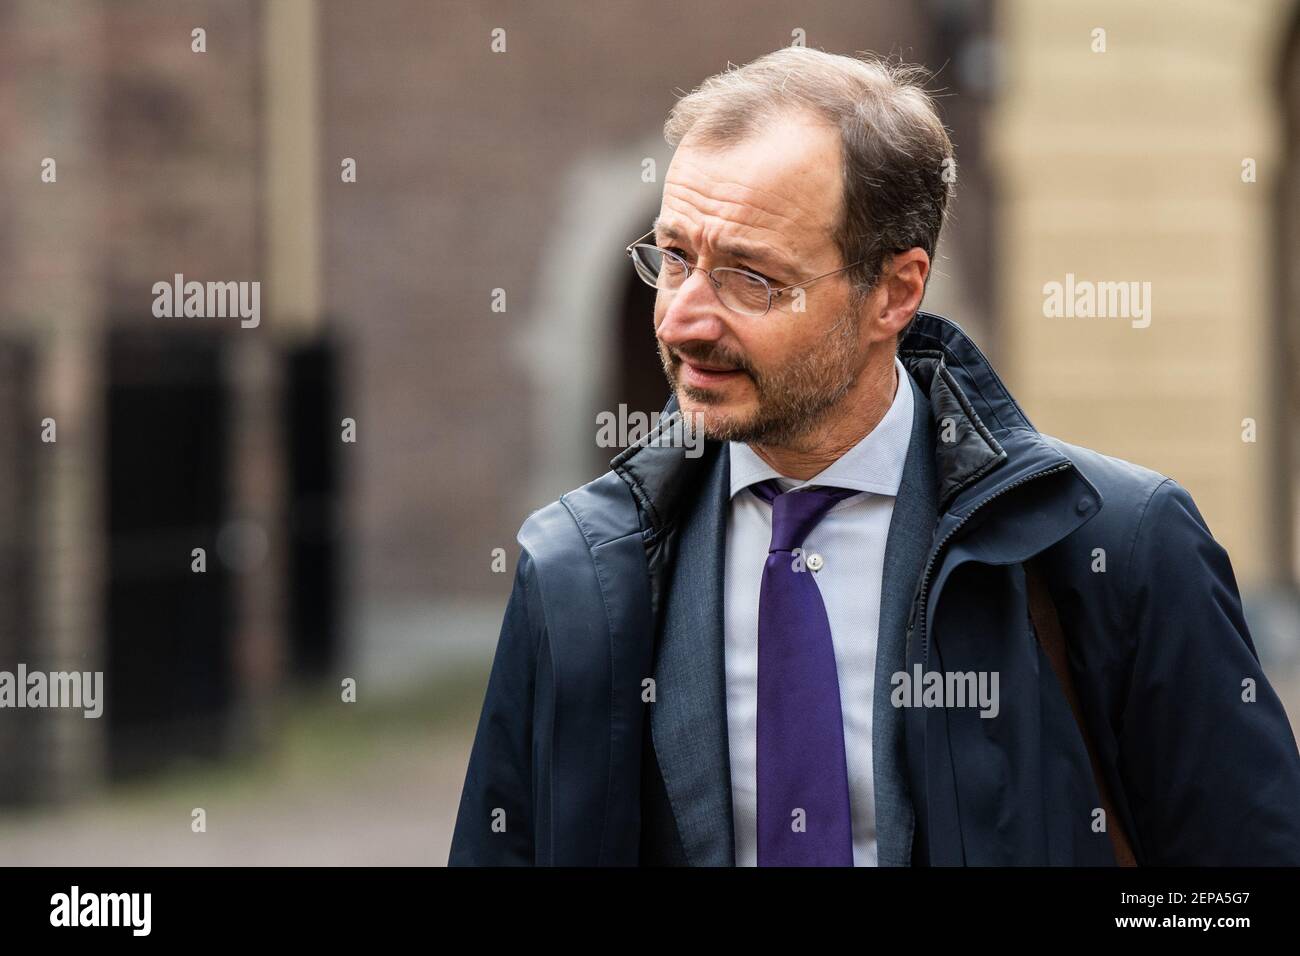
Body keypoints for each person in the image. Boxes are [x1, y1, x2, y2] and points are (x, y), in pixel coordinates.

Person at [449, 47, 1300, 866]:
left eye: (752, 278)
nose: (682, 321)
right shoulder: (575, 570)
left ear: (895, 291)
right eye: (675, 259)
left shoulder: (1117, 547)